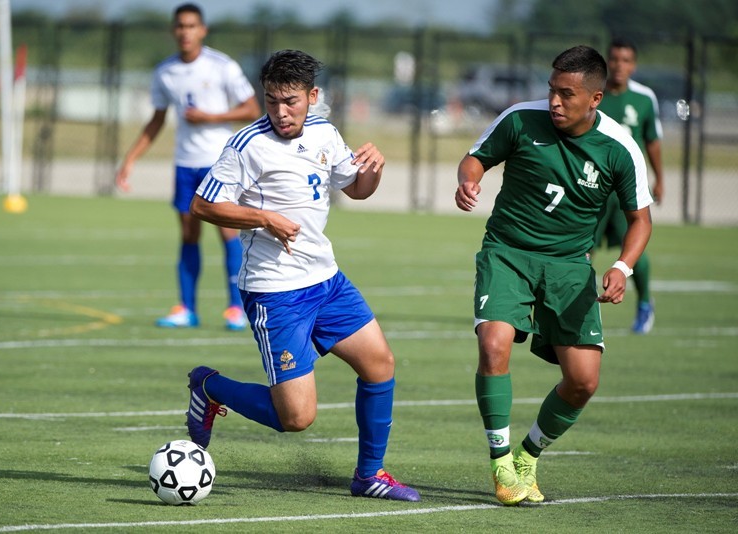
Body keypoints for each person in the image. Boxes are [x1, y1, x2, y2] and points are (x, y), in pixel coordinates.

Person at [185, 49, 420, 502]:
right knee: (295, 418)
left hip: (327, 282)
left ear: (312, 96)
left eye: (290, 100)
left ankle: (369, 475)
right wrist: (264, 218)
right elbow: (202, 205)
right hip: (275, 293)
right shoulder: (246, 145)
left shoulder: (325, 133)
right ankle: (208, 385)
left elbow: (357, 189)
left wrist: (374, 170)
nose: (280, 111)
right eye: (271, 100)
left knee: (379, 364)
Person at [455, 45, 652, 505]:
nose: (554, 102)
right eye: (551, 90)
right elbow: (475, 157)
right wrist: (468, 179)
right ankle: (501, 462)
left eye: (567, 94)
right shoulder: (520, 119)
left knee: (583, 381)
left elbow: (640, 218)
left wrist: (622, 266)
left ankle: (529, 453)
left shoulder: (620, 147)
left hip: (569, 267)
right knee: (494, 343)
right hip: (507, 252)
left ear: (596, 98)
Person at [115, 3, 261, 330]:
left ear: (203, 30)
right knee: (188, 234)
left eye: (191, 25)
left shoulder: (222, 66)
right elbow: (156, 120)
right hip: (185, 165)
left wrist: (211, 117)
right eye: (180, 26)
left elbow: (252, 108)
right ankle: (187, 308)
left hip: (220, 163)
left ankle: (236, 309)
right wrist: (130, 159)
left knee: (228, 232)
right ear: (173, 30)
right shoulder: (165, 72)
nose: (185, 32)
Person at [596, 37, 664, 334]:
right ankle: (574, 308)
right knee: (580, 248)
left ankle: (645, 304)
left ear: (633, 65)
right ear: (607, 61)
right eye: (614, 59)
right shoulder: (594, 93)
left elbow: (652, 140)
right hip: (592, 185)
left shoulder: (644, 98)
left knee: (634, 249)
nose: (619, 65)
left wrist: (659, 177)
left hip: (626, 188)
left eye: (625, 60)